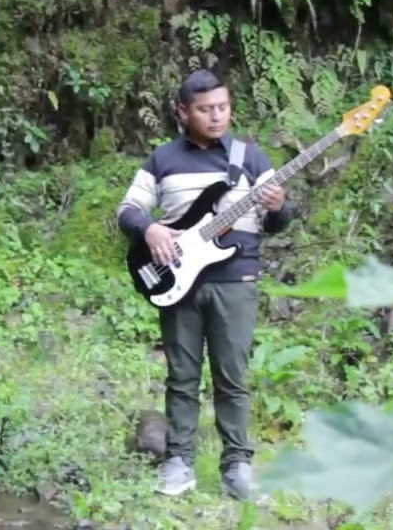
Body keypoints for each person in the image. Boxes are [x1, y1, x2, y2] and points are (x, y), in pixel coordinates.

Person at [115, 69, 293, 500]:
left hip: (236, 279)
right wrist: (150, 230)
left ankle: (238, 467)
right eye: (205, 109)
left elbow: (278, 224)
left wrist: (279, 206)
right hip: (179, 281)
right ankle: (178, 462)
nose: (216, 117)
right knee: (182, 375)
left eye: (223, 108)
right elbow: (128, 209)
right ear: (182, 111)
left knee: (232, 377)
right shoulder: (163, 159)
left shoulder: (250, 158)